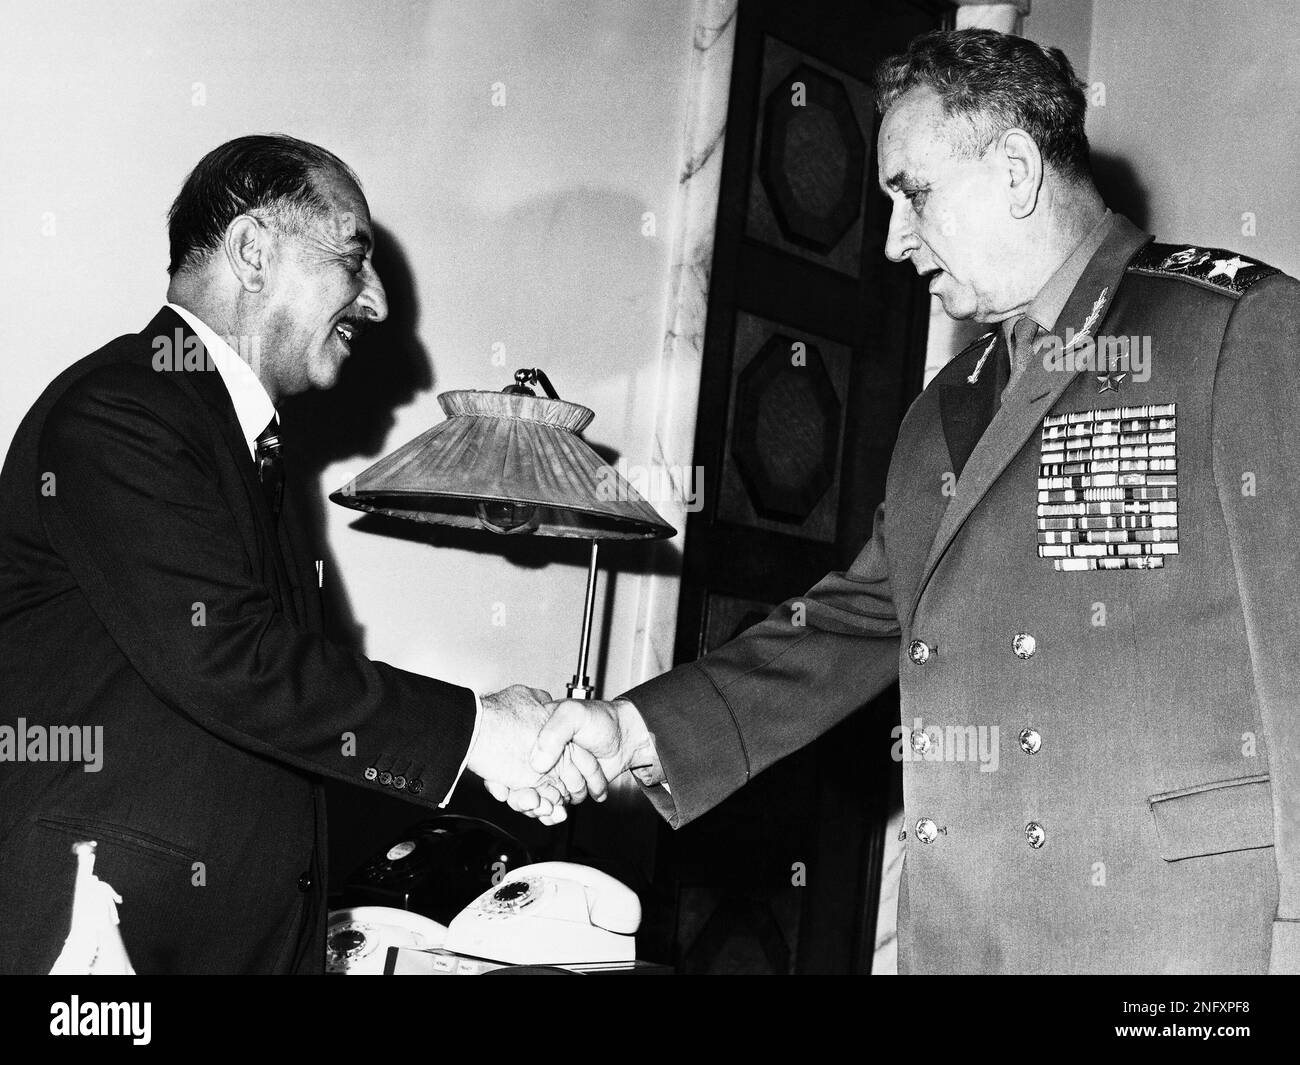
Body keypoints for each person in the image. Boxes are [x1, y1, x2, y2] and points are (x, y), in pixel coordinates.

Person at [512, 29, 1300, 975]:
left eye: (912, 194)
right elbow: (858, 618)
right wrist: (634, 726)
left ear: (1014, 169)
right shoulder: (946, 405)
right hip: (970, 939)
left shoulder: (1232, 330)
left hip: (1181, 944)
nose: (891, 240)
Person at [0, 134, 586, 974]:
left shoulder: (245, 446)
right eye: (355, 259)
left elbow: (282, 714)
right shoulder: (123, 409)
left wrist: (479, 773)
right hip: (102, 943)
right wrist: (481, 729)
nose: (377, 303)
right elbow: (230, 658)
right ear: (251, 251)